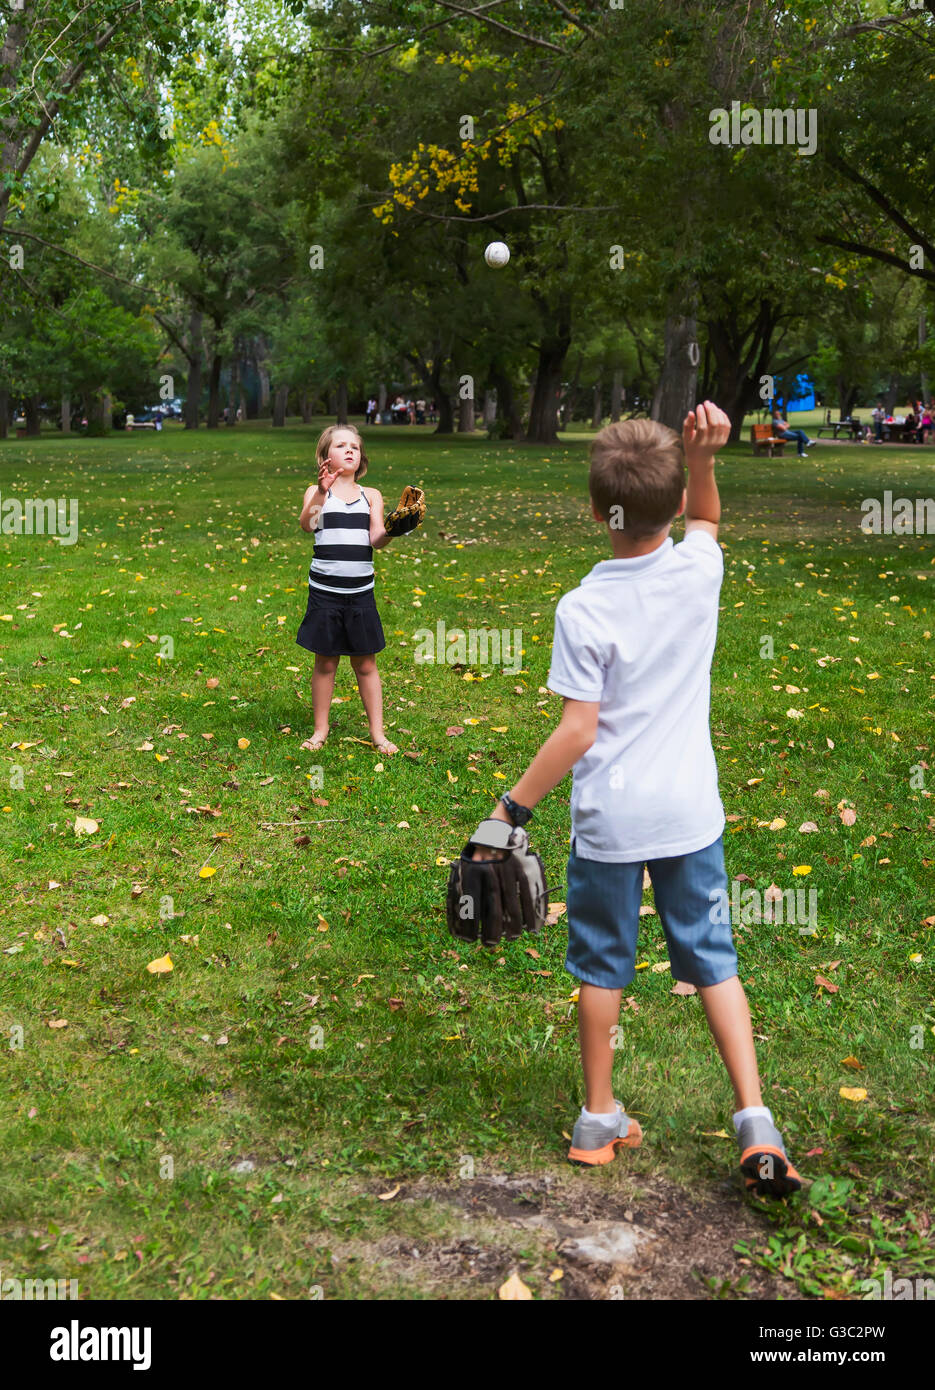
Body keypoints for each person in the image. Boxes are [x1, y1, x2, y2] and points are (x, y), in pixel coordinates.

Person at [469, 403, 802, 1195]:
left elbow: (577, 731)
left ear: (594, 510)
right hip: (687, 814)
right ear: (677, 505)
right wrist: (705, 462)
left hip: (611, 823)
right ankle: (754, 1119)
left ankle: (597, 1118)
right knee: (712, 960)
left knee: (599, 964)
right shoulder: (699, 570)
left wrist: (509, 810)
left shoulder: (582, 608)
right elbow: (710, 523)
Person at [296, 425, 400, 755]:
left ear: (361, 457)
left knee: (365, 663)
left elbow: (377, 539)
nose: (350, 449)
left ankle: (378, 733)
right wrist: (322, 492)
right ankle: (320, 730)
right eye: (341, 445)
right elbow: (308, 524)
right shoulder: (315, 492)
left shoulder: (371, 495)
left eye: (355, 446)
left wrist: (397, 529)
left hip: (360, 594)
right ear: (325, 456)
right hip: (325, 591)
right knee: (326, 663)